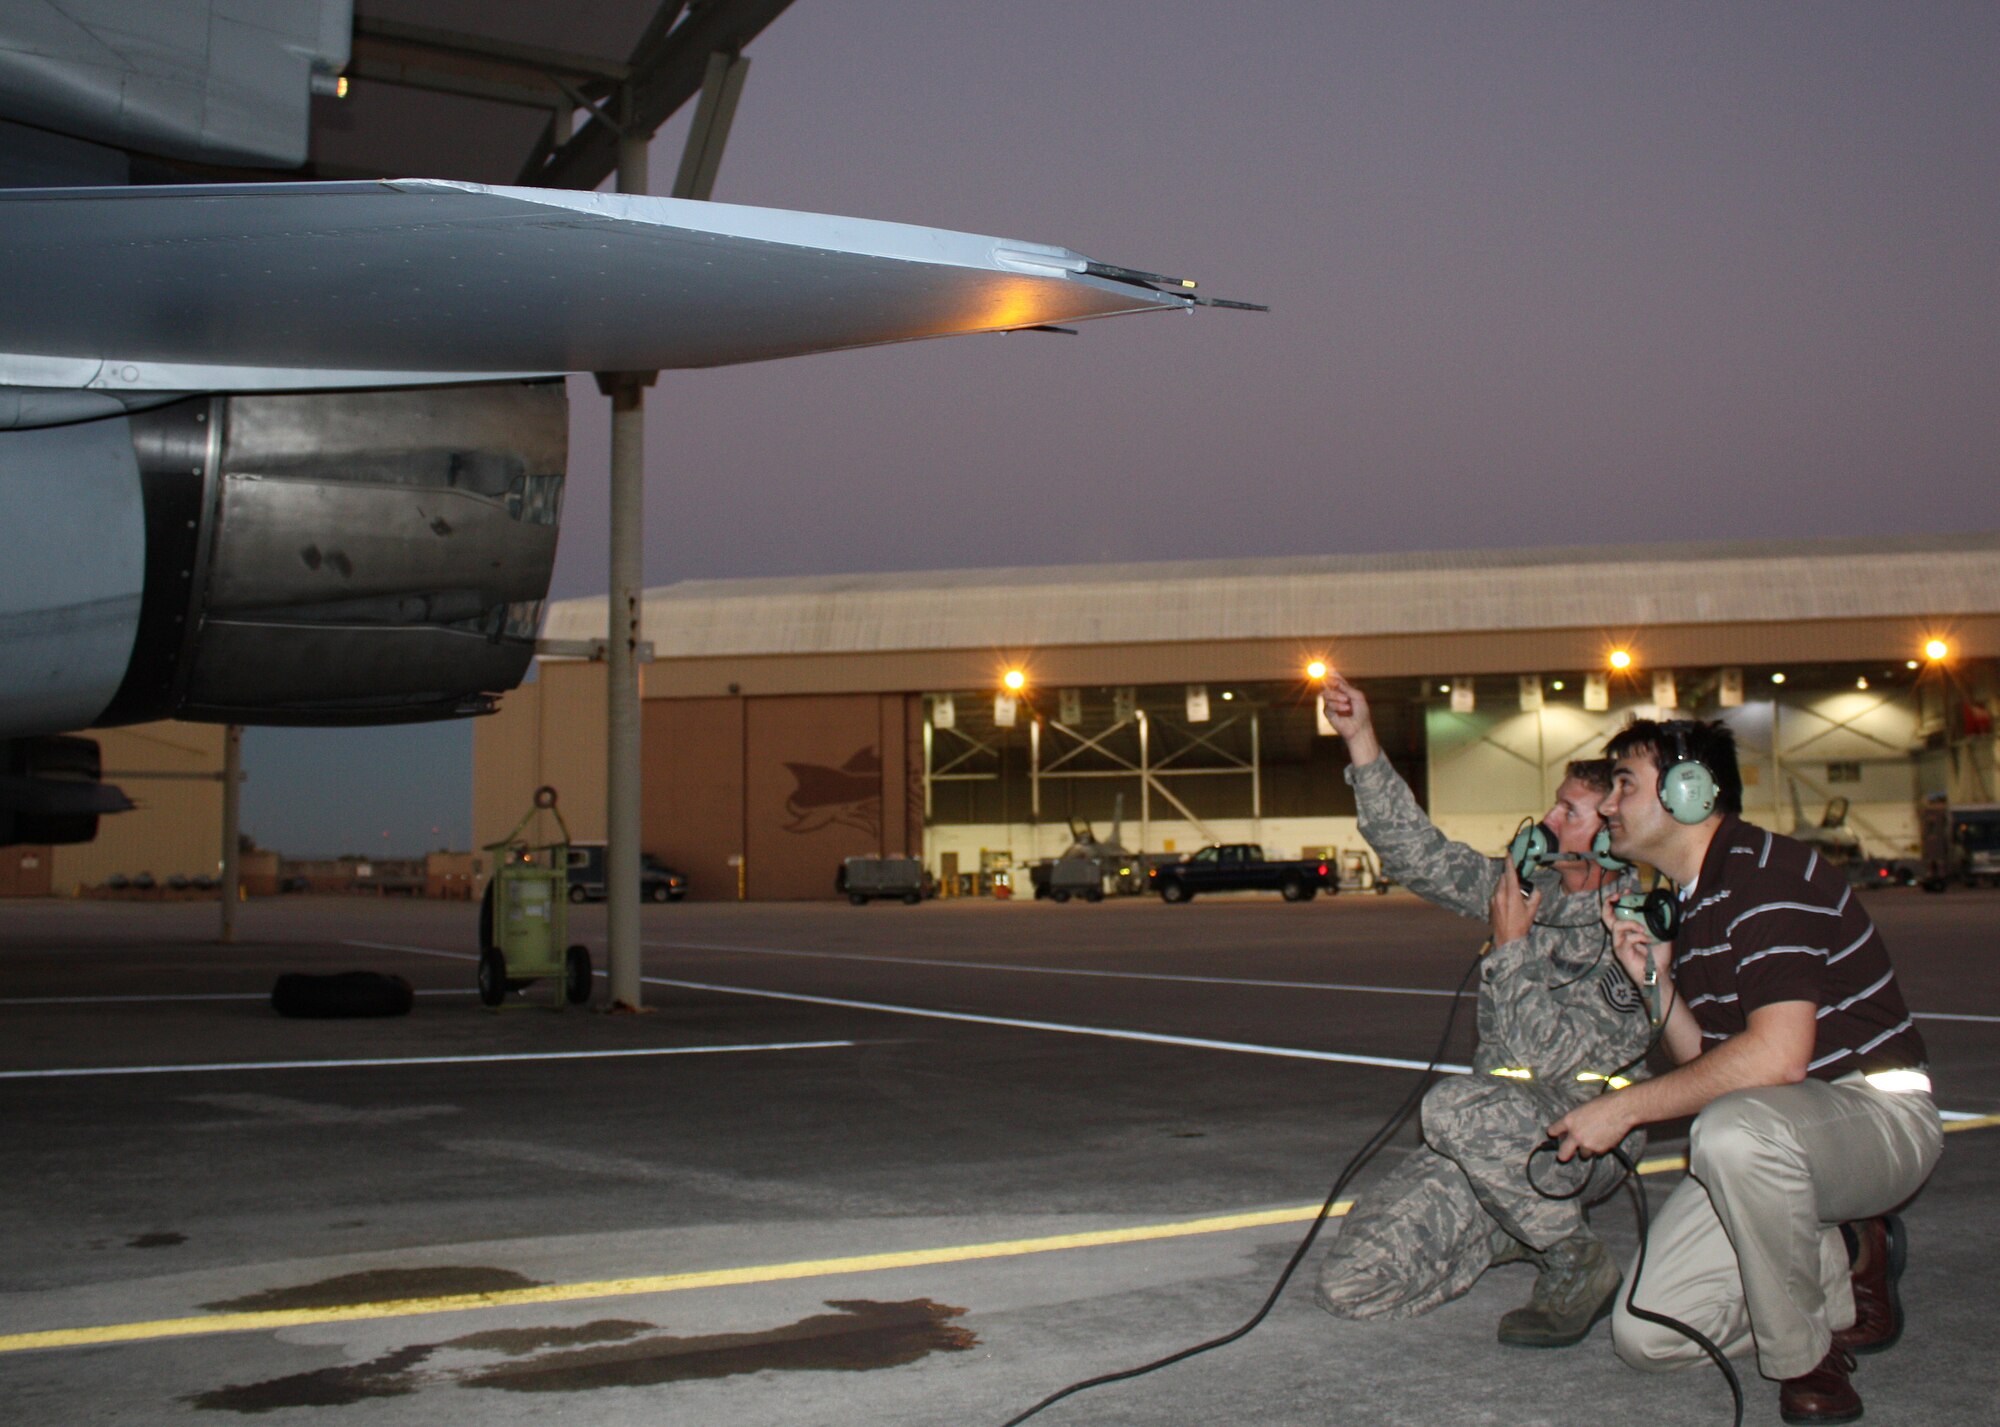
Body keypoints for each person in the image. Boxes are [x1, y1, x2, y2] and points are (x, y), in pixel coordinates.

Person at [1548, 718, 1940, 1425]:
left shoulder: (1766, 872)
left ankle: (1805, 1359)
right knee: (1650, 1334)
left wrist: (1627, 1106)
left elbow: (1776, 1055)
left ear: (1691, 790)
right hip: (1777, 1129)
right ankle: (1846, 1258)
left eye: (1625, 785)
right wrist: (1653, 978)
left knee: (1728, 1133)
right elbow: (1707, 1060)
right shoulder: (1693, 901)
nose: (1608, 806)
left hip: (1876, 1116)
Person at [1314, 672, 1652, 1347]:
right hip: (1492, 1139)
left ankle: (1573, 1258)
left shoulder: (1636, 930)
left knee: (1450, 1106)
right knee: (1352, 1283)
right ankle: (1510, 1221)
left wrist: (1512, 949)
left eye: (1572, 814)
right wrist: (1362, 739)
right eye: (1555, 805)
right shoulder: (1530, 890)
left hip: (1584, 1134)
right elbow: (1419, 854)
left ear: (1612, 834)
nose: (1549, 821)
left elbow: (1548, 1058)